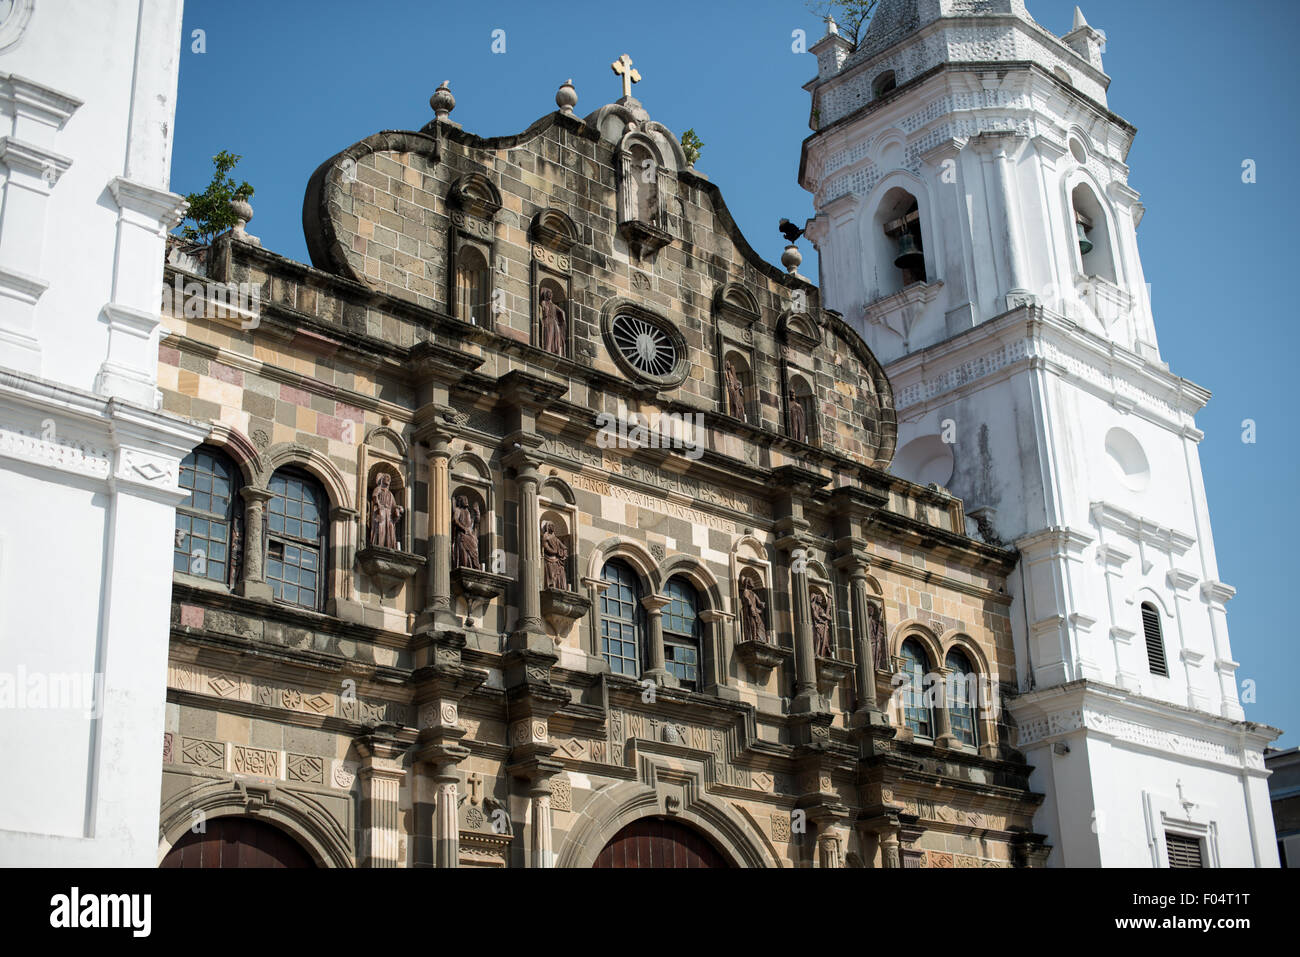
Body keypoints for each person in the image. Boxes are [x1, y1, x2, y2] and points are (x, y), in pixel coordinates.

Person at [368, 472, 402, 550]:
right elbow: (374, 496)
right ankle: (379, 544)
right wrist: (379, 505)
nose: (388, 479)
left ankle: (388, 545)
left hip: (389, 514)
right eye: (386, 477)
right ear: (382, 479)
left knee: (390, 528)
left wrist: (398, 508)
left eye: (389, 478)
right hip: (381, 511)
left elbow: (393, 505)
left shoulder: (390, 494)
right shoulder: (378, 489)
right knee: (381, 528)